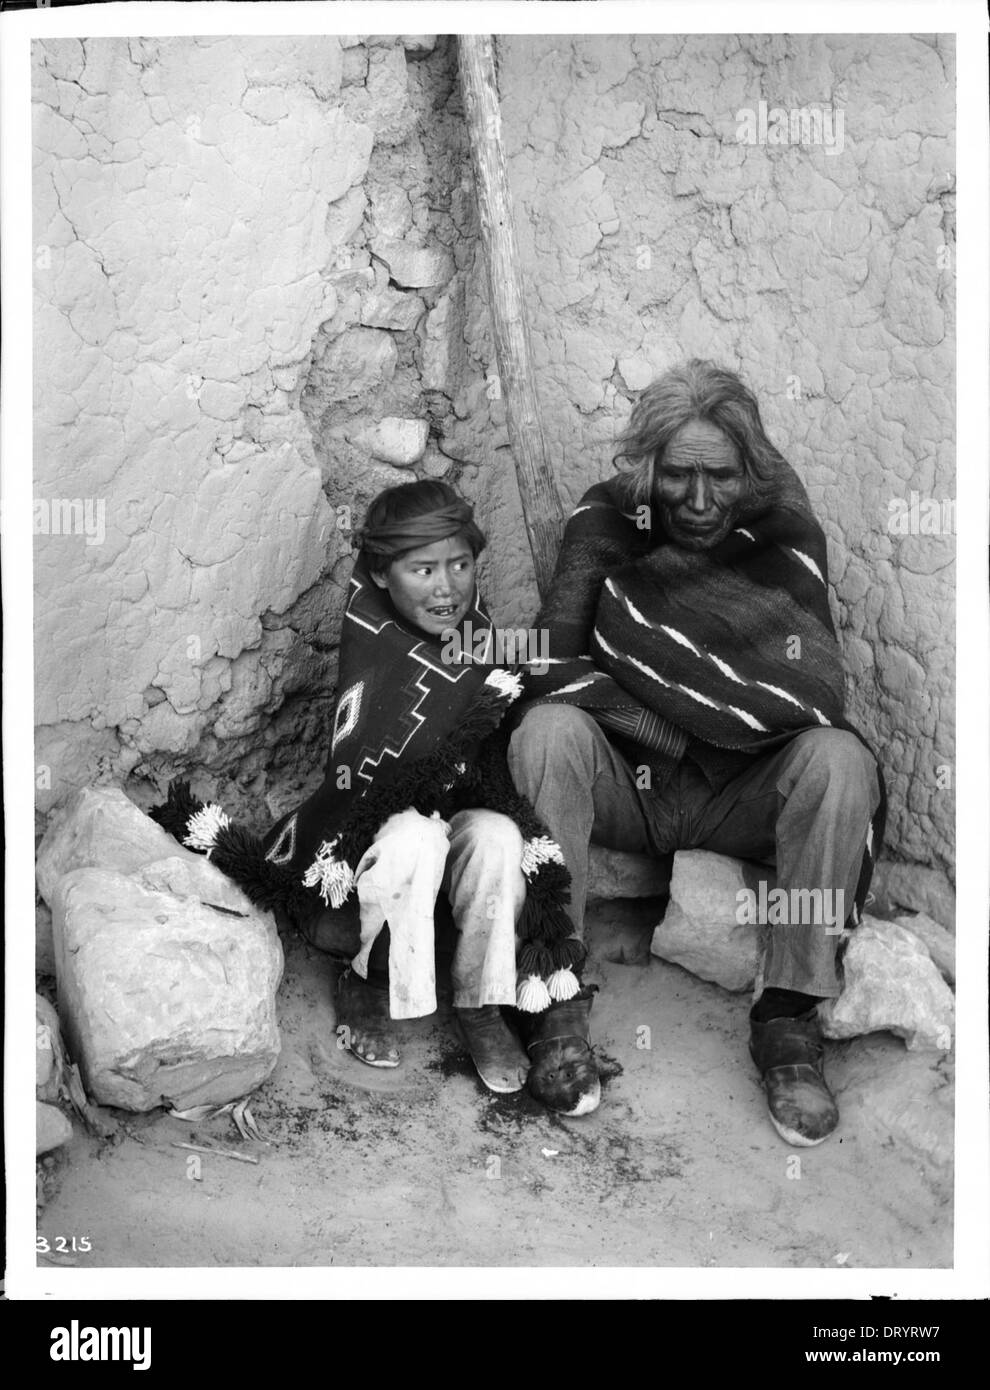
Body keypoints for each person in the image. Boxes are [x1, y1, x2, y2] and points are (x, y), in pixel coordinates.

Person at [508, 360, 884, 1146]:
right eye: (678, 475)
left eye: (719, 476)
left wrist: (706, 722)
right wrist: (653, 726)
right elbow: (549, 667)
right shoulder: (606, 525)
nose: (701, 500)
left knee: (838, 760)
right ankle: (554, 998)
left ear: (750, 471)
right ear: (647, 466)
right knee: (546, 732)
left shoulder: (784, 534)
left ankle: (786, 1021)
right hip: (634, 784)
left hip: (743, 792)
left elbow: (810, 696)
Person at [153, 481, 599, 1114]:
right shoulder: (374, 639)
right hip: (381, 826)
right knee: (413, 837)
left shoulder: (481, 638)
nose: (448, 587)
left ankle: (480, 1002)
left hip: (464, 804)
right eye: (423, 569)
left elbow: (530, 684)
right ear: (384, 574)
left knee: (501, 839)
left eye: (461, 565)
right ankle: (373, 977)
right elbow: (367, 776)